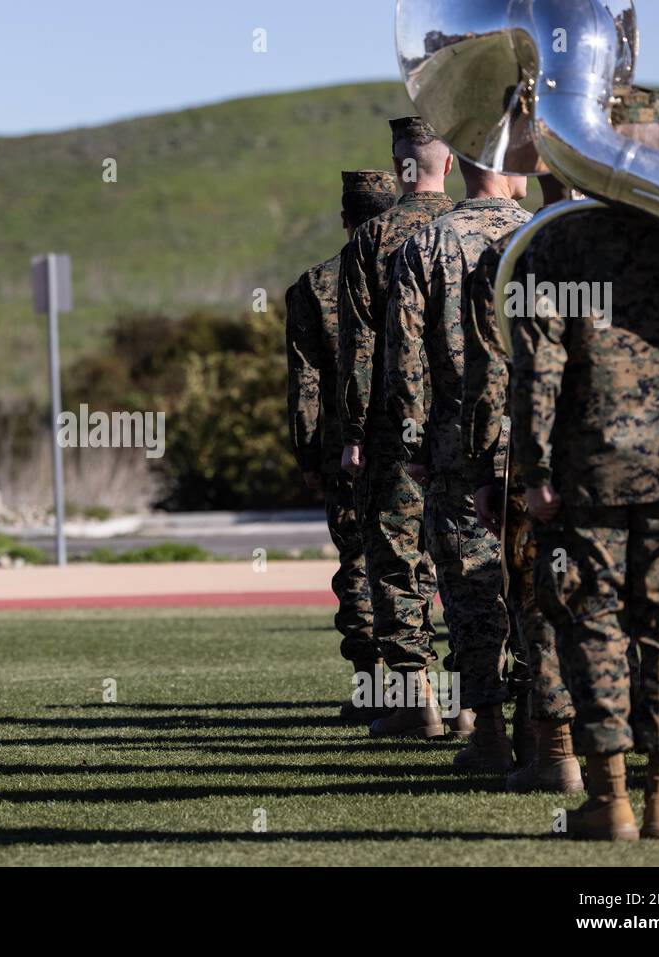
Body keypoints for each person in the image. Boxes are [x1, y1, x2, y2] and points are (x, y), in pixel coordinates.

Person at [510, 88, 659, 839]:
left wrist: (534, 470)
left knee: (592, 622)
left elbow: (537, 367)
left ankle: (608, 801)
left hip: (587, 468)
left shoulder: (558, 242)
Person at [384, 158, 531, 768]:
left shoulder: (427, 243)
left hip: (456, 445)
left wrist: (413, 445)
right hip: (531, 444)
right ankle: (543, 726)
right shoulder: (539, 233)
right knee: (535, 585)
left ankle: (489, 731)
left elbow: (404, 359)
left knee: (471, 591)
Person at [463, 172, 584, 793]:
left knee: (543, 602)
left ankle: (560, 754)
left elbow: (498, 369)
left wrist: (492, 466)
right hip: (650, 458)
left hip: (543, 458)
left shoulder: (520, 253)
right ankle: (650, 773)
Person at [336, 117, 456, 738]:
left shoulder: (372, 239)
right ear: (451, 163)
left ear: (397, 161)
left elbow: (358, 351)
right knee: (471, 560)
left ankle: (417, 701)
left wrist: (353, 435)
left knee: (397, 564)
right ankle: (476, 703)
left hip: (393, 431)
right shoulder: (473, 228)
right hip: (467, 426)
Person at [285, 170, 397, 721]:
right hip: (423, 439)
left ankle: (374, 686)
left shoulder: (314, 285)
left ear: (345, 219)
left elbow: (306, 383)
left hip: (347, 451)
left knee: (358, 560)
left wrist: (309, 455)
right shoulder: (423, 258)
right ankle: (461, 694)